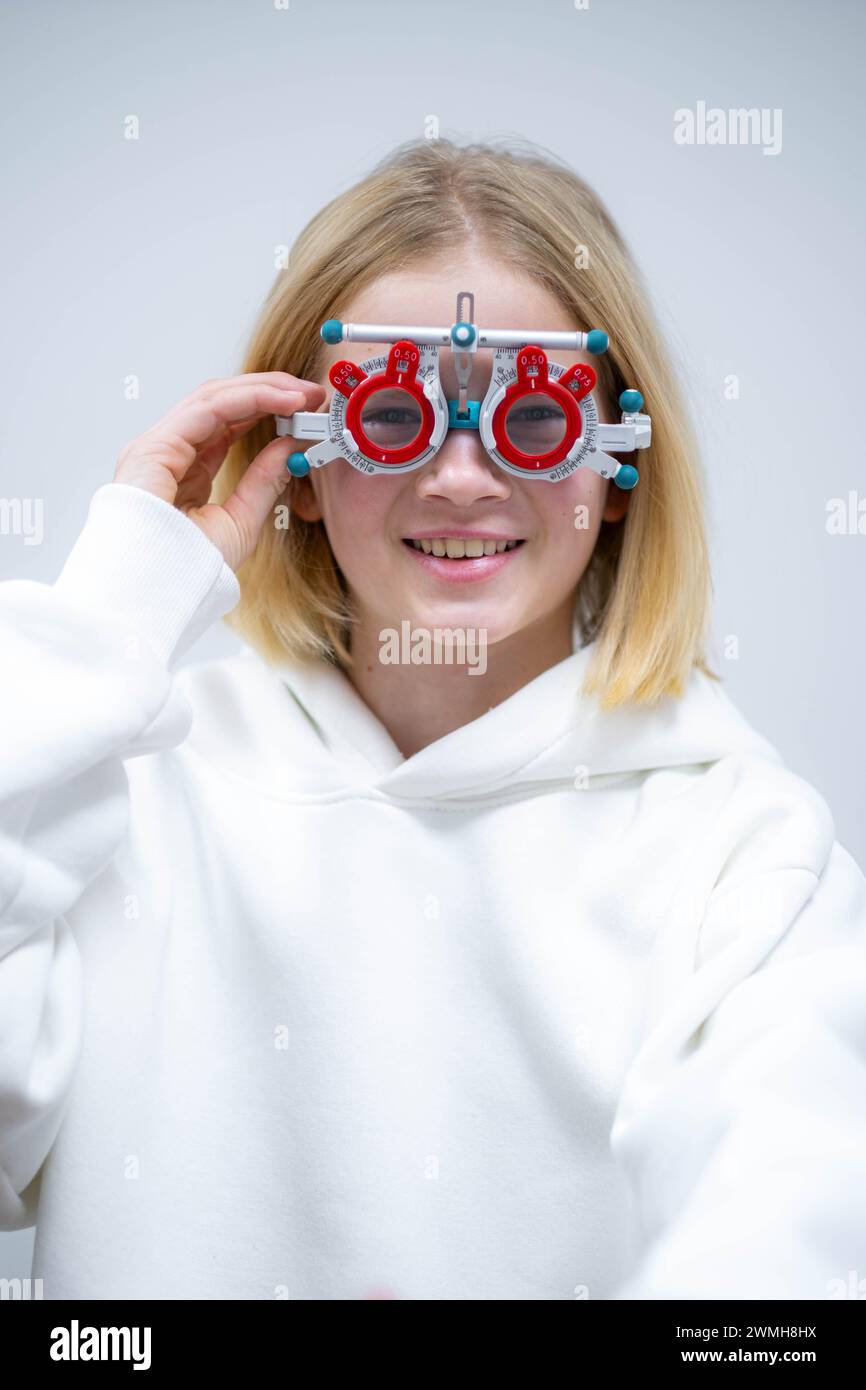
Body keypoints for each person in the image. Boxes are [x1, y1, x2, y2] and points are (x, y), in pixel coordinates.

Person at [2, 137, 864, 1302]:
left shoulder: (745, 853)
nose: (461, 477)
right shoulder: (125, 795)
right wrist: (107, 627)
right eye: (397, 413)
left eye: (536, 422)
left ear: (616, 467)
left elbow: (786, 1241)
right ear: (296, 460)